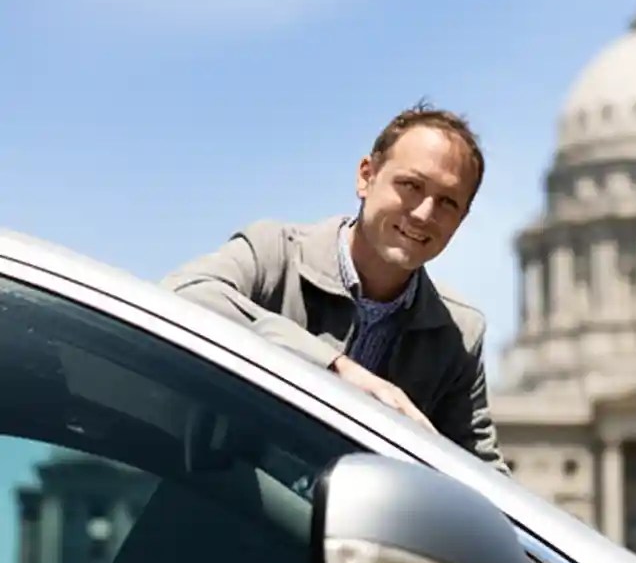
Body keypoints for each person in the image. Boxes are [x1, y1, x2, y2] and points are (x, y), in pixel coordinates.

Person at [161, 101, 506, 473]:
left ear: (462, 219)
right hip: (228, 502)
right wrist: (335, 368)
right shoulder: (275, 253)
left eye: (447, 202)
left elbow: (482, 474)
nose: (423, 213)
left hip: (352, 526)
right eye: (411, 185)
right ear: (366, 176)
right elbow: (180, 294)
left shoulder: (458, 334)